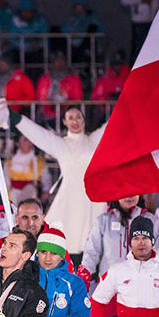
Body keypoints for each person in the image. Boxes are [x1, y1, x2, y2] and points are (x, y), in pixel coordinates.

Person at [17, 105, 108, 262]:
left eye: (78, 117)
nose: (75, 121)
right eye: (70, 118)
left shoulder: (93, 140)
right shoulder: (61, 144)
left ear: (83, 120)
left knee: (91, 243)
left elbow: (112, 125)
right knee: (67, 240)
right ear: (65, 122)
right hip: (69, 198)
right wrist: (16, 118)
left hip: (92, 199)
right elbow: (38, 134)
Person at [78, 194, 159, 292]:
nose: (129, 197)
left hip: (141, 286)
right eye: (125, 194)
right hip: (109, 285)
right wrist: (84, 275)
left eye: (133, 193)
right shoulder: (103, 220)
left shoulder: (152, 220)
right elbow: (91, 252)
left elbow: (157, 252)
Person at [34, 52, 84, 123]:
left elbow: (77, 97)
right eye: (57, 61)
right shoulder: (45, 78)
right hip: (47, 111)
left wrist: (65, 104)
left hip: (68, 109)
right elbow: (40, 97)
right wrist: (49, 105)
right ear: (53, 63)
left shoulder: (74, 78)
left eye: (62, 60)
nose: (59, 63)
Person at [9, 133, 52, 208]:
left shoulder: (40, 162)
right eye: (25, 140)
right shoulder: (9, 162)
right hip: (13, 199)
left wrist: (46, 192)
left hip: (33, 198)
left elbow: (46, 179)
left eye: (30, 139)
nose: (29, 142)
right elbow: (5, 182)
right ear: (17, 143)